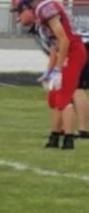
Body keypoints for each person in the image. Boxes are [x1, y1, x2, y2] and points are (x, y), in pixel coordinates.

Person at [15, 0, 87, 150]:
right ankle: (54, 136)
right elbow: (54, 44)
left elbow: (64, 39)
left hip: (74, 51)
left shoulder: (45, 8)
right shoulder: (40, 10)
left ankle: (68, 139)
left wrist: (59, 68)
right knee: (54, 96)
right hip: (67, 51)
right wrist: (49, 71)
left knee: (64, 96)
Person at [21, 8, 89, 138]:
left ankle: (82, 129)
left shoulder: (45, 22)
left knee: (77, 88)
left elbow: (58, 47)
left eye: (21, 12)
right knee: (69, 89)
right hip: (76, 48)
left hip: (82, 47)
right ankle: (66, 128)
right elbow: (55, 50)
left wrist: (55, 71)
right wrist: (50, 72)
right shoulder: (43, 24)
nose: (19, 17)